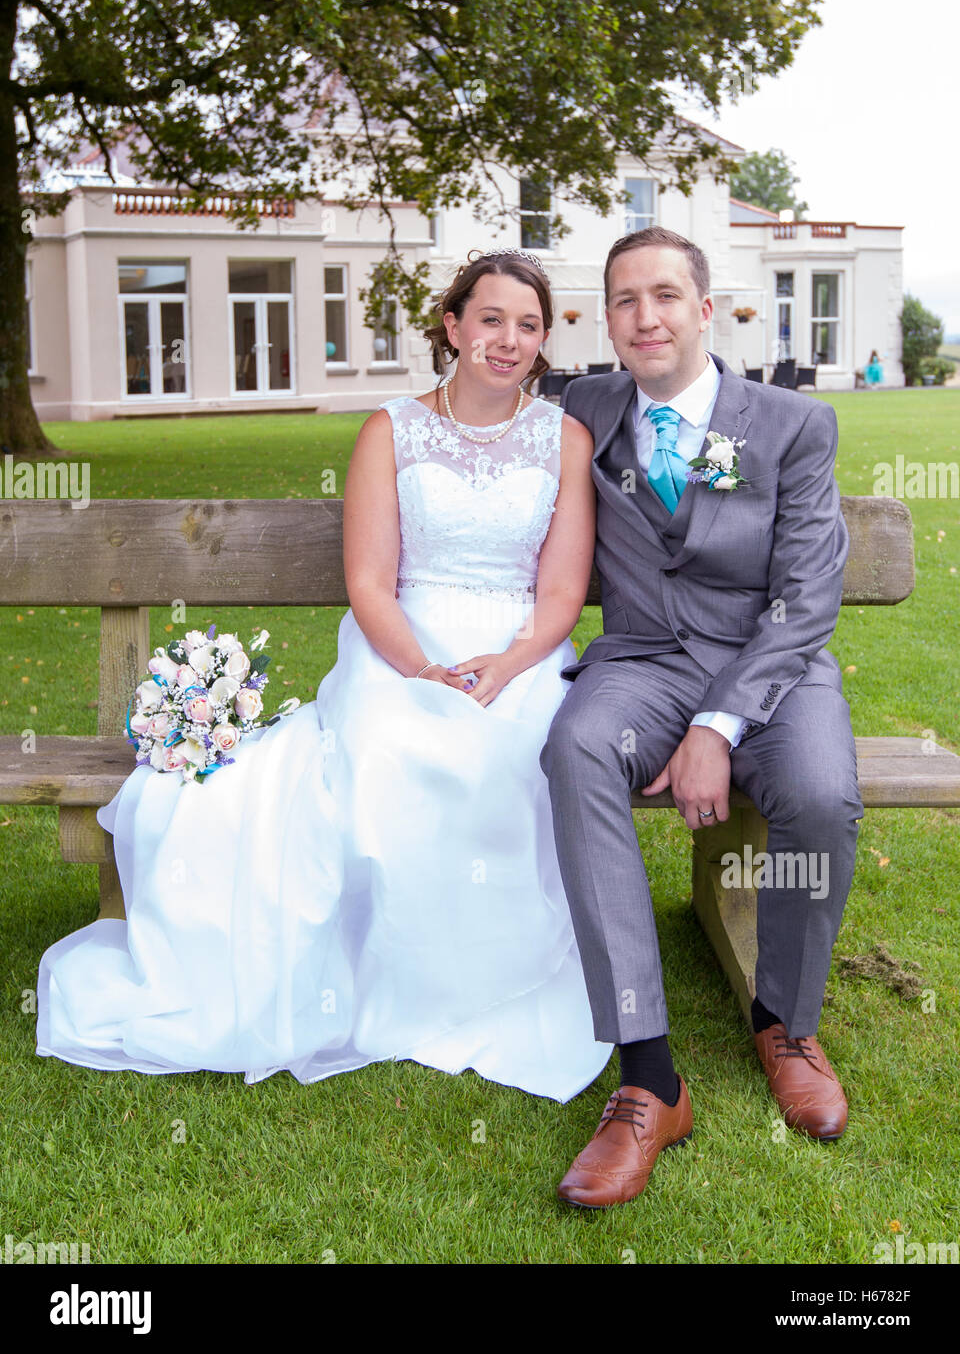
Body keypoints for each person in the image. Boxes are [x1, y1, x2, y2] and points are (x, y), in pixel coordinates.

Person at [36, 248, 613, 1103]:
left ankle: (488, 977)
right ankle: (382, 971)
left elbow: (563, 591)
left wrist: (511, 661)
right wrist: (421, 670)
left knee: (519, 754)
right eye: (491, 319)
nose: (509, 339)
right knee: (384, 751)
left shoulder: (564, 438)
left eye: (529, 325)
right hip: (401, 644)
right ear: (453, 327)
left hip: (520, 649)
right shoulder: (391, 429)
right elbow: (370, 582)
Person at [540, 226, 864, 1209]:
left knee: (817, 792)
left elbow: (807, 599)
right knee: (576, 745)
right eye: (626, 300)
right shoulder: (583, 409)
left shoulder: (787, 427)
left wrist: (719, 726)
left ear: (705, 309)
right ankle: (648, 1075)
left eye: (667, 296)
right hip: (643, 663)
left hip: (773, 668)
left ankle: (783, 1019)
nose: (646, 316)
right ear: (607, 318)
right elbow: (478, 378)